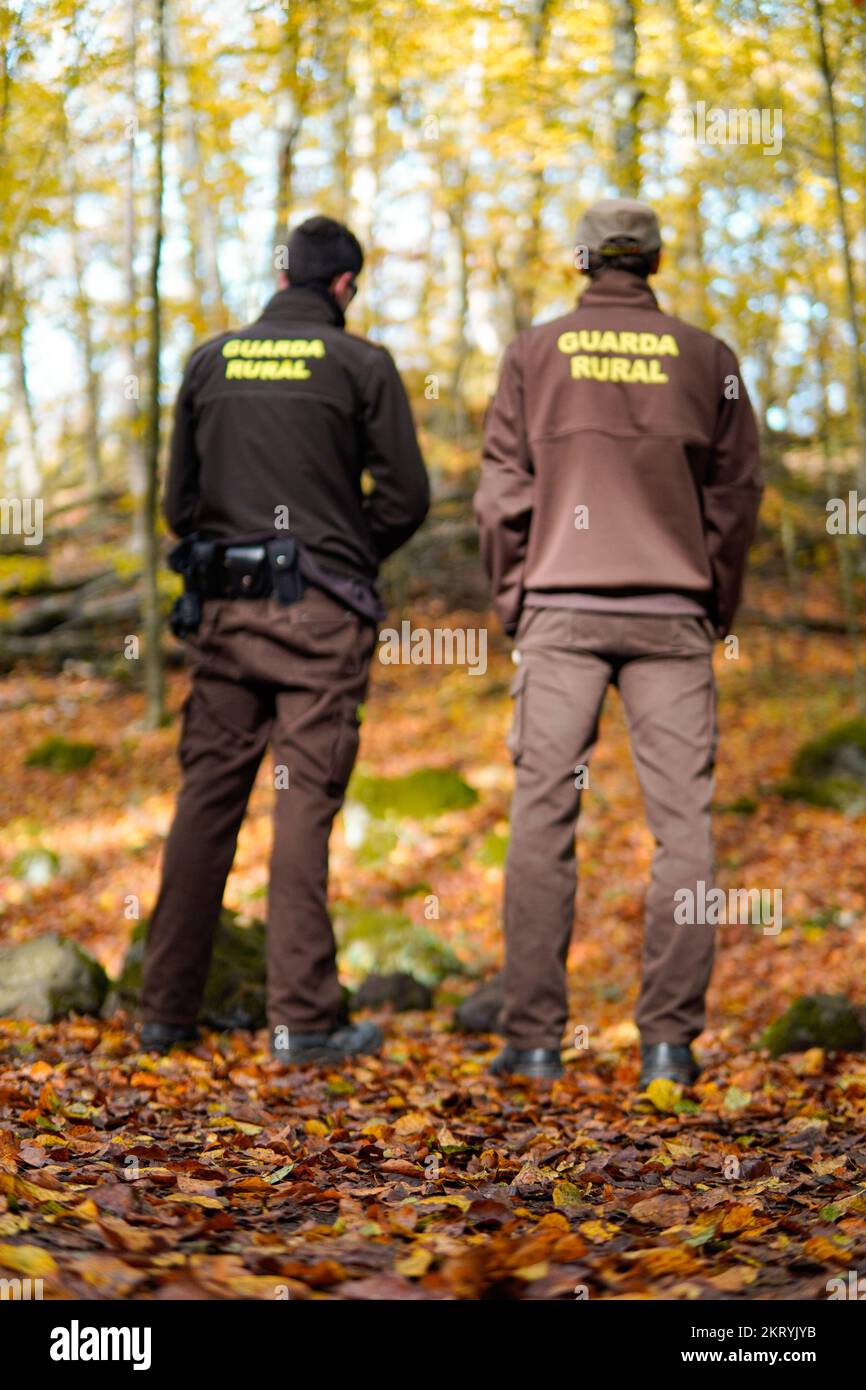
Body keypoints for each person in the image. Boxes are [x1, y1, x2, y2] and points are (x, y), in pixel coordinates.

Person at [474, 198, 763, 1086]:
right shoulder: (706, 357)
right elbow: (737, 493)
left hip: (560, 608)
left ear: (583, 260)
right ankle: (670, 1046)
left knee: (542, 816)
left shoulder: (533, 352)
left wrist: (515, 596)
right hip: (672, 615)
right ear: (656, 260)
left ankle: (531, 1043)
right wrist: (713, 600)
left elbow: (500, 496)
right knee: (684, 830)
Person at [140, 215, 429, 1064]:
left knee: (206, 802)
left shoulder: (210, 360)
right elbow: (406, 497)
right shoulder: (361, 365)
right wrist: (341, 553)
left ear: (283, 278)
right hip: (320, 624)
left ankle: (166, 1012)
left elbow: (176, 511)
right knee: (302, 806)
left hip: (224, 617)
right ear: (344, 286)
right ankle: (302, 1021)